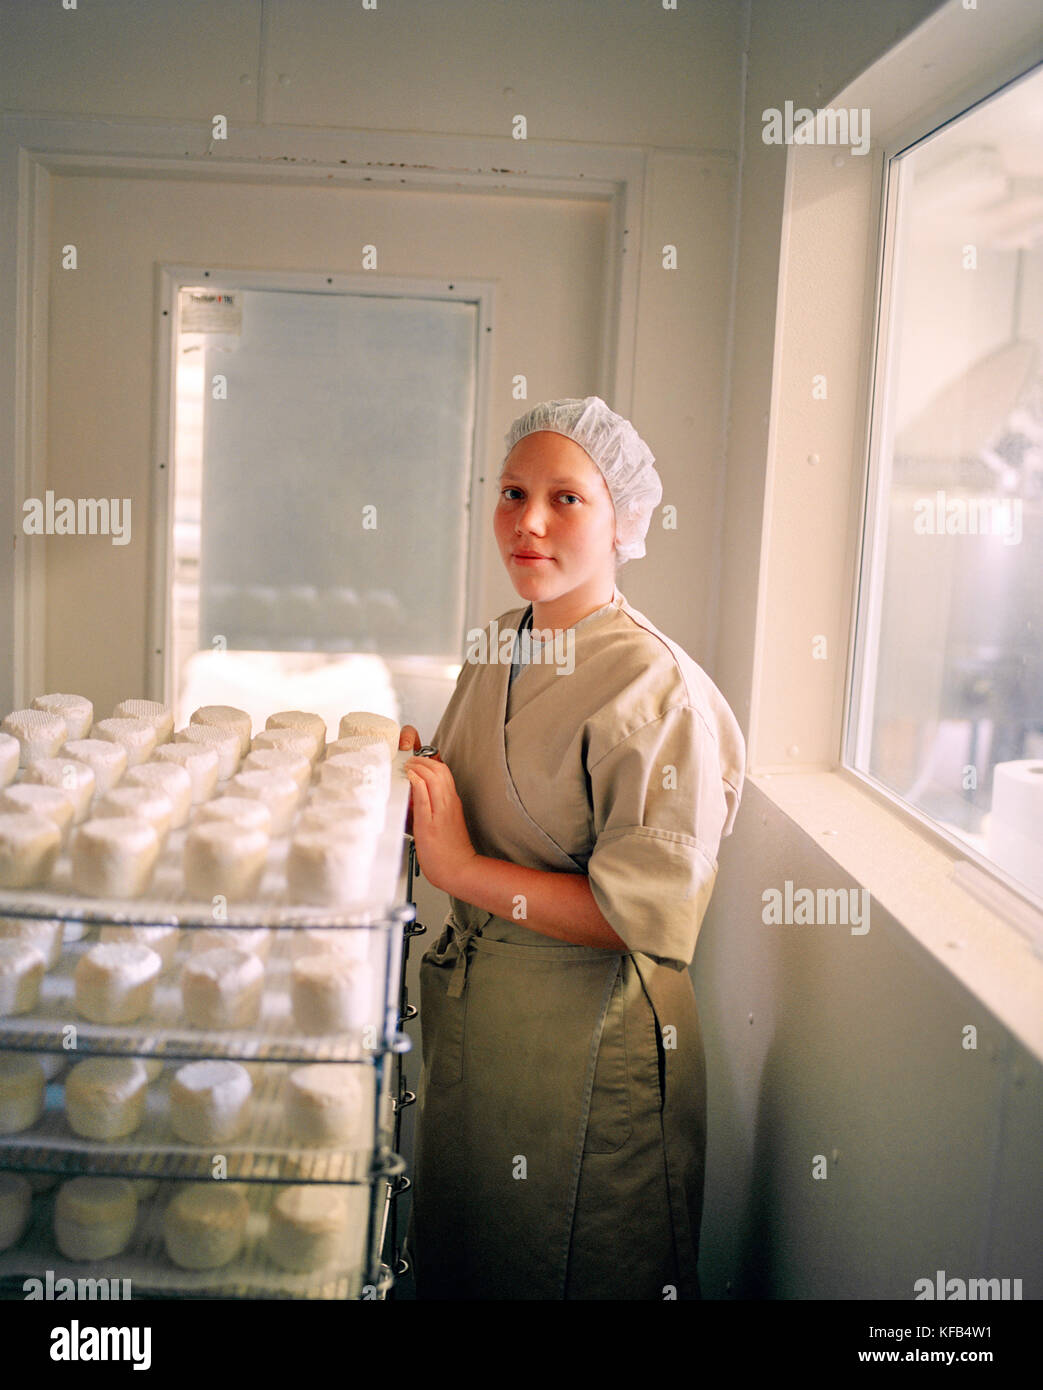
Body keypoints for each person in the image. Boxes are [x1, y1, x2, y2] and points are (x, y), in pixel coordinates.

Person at [400, 396, 745, 1300]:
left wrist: (460, 871)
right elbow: (480, 805)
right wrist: (410, 788)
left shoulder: (652, 687)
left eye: (566, 498)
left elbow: (645, 915)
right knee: (477, 1261)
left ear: (624, 521)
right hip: (488, 1025)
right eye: (512, 494)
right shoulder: (499, 645)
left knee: (577, 1266)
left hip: (591, 1044)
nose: (529, 522)